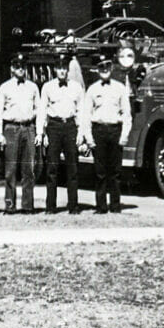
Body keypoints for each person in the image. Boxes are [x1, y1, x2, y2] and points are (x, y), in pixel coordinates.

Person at [81, 55, 133, 213]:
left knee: (115, 172)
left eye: (107, 67)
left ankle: (115, 205)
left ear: (111, 68)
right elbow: (86, 115)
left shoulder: (120, 88)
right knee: (100, 172)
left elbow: (127, 114)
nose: (104, 70)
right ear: (98, 70)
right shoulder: (92, 89)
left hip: (115, 131)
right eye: (101, 67)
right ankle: (101, 206)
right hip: (99, 131)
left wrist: (124, 135)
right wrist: (89, 137)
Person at [38, 53, 85, 213]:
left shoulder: (76, 87)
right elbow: (42, 110)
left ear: (68, 70)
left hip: (70, 126)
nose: (62, 71)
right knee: (52, 168)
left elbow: (81, 110)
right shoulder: (47, 87)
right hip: (54, 127)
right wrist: (42, 133)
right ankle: (51, 206)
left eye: (64, 68)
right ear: (55, 70)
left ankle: (73, 206)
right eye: (59, 68)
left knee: (73, 168)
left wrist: (81, 132)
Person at [0, 55, 41, 213]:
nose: (20, 69)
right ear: (12, 68)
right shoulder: (4, 87)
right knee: (11, 169)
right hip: (11, 129)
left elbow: (39, 110)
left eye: (23, 65)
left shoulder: (33, 87)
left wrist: (39, 132)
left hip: (28, 128)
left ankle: (28, 205)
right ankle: (10, 205)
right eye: (17, 66)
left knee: (28, 169)